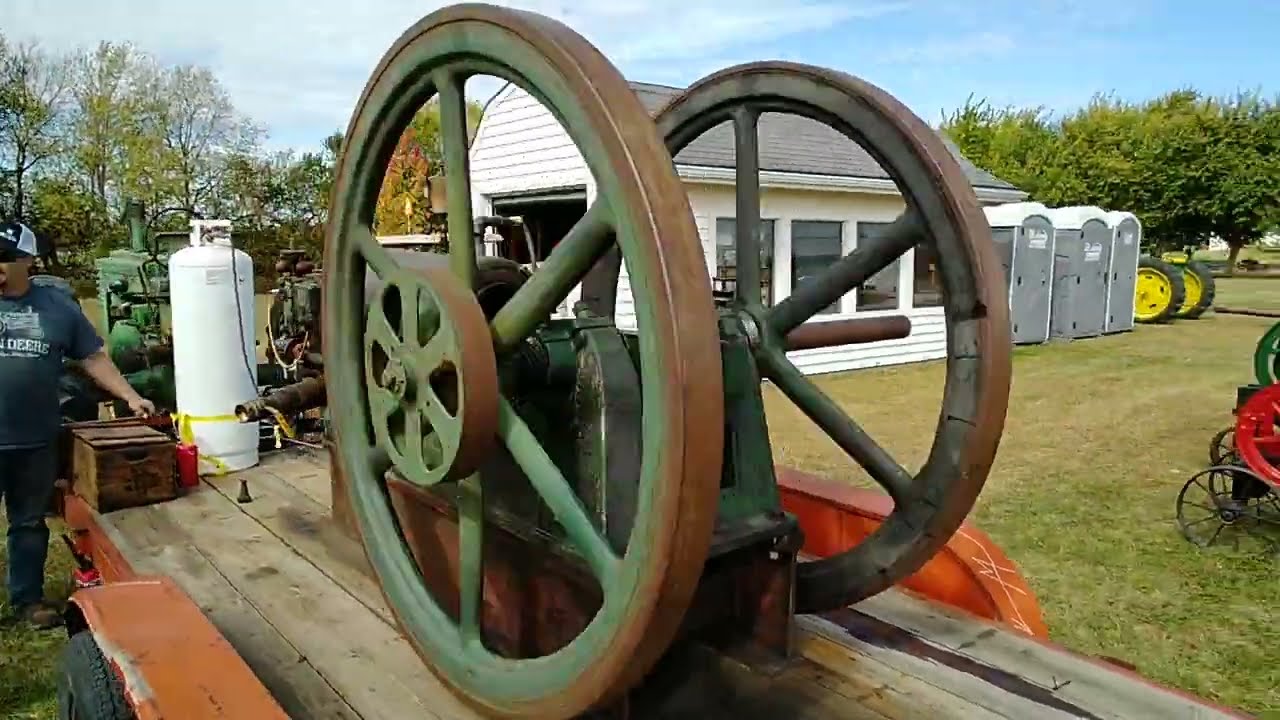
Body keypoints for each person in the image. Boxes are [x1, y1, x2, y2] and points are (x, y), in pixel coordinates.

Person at [0, 220, 156, 629]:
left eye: (4, 256)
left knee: (29, 523)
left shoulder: (57, 308)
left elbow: (93, 358)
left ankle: (27, 601)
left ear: (28, 262)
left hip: (34, 438)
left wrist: (130, 396)